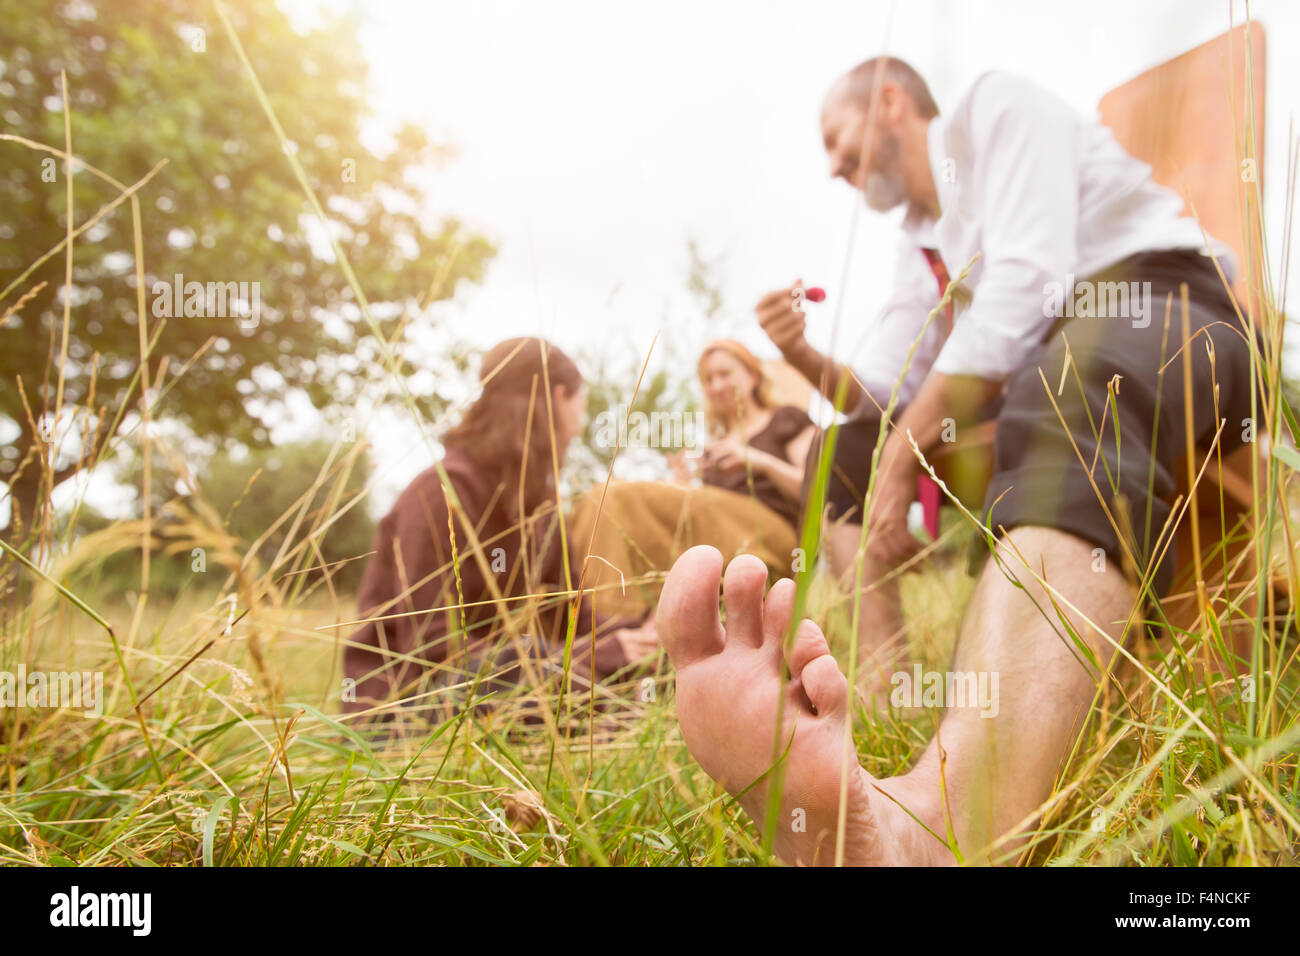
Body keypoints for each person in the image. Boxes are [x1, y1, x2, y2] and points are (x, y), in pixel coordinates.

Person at [655, 57, 1257, 864]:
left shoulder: (994, 111)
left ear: (891, 103)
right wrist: (799, 353)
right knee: (842, 451)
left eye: (838, 141)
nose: (833, 166)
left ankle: (949, 822)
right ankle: (880, 684)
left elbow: (1030, 283)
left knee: (1071, 384)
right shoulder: (918, 244)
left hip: (1165, 306)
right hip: (1035, 374)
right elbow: (883, 388)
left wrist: (909, 452)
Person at [342, 337, 659, 725]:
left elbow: (572, 618)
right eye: (582, 406)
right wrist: (588, 659)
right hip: (401, 709)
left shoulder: (540, 510)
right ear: (560, 398)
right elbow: (432, 651)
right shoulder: (440, 493)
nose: (578, 428)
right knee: (582, 693)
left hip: (492, 694)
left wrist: (648, 628)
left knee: (649, 684)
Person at [568, 340, 814, 619]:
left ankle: (613, 628)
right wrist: (682, 486)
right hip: (721, 530)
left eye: (725, 374)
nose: (717, 385)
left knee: (615, 497)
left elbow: (817, 488)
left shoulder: (785, 418)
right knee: (602, 504)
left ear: (753, 376)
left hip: (770, 531)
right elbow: (704, 514)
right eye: (709, 379)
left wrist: (758, 460)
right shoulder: (716, 445)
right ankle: (619, 631)